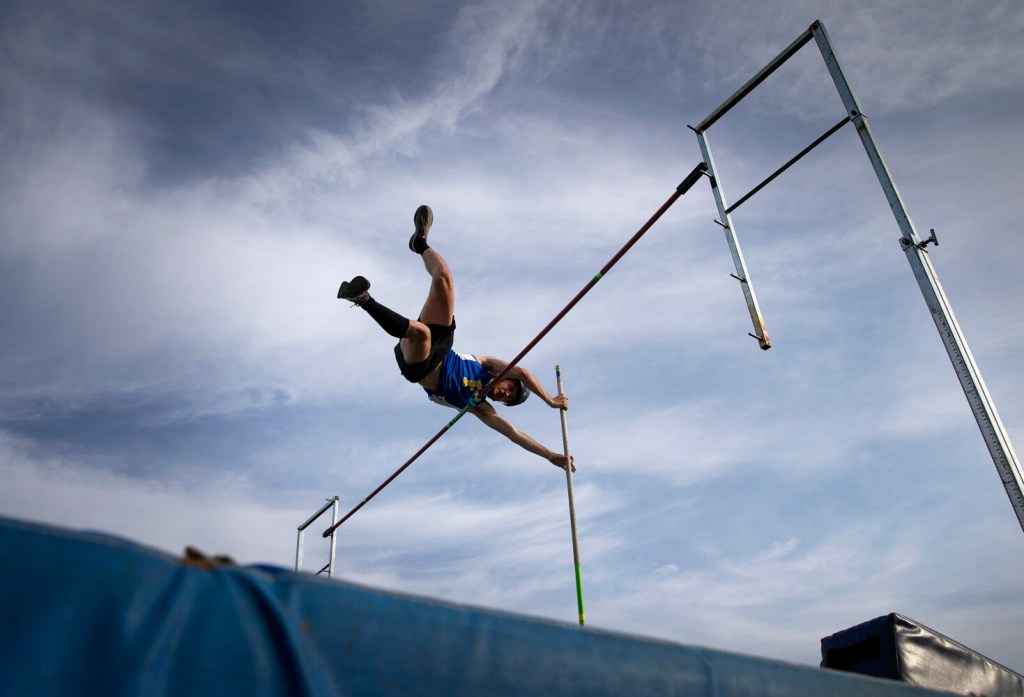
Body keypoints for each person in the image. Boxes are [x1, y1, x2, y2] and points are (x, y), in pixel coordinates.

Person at [338, 205, 574, 472]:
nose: (506, 393)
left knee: (420, 333)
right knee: (444, 279)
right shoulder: (489, 365)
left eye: (508, 399)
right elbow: (521, 370)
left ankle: (362, 299)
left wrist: (551, 456)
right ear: (507, 378)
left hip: (420, 366)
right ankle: (420, 243)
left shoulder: (480, 408)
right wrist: (550, 401)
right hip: (444, 343)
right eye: (511, 388)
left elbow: (515, 435)